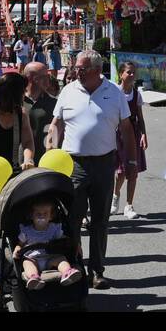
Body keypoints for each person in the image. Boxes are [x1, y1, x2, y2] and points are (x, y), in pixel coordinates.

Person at [49, 49, 136, 289]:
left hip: (104, 164)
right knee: (72, 219)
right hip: (72, 164)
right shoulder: (68, 91)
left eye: (82, 68)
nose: (77, 72)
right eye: (76, 67)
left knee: (100, 221)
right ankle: (74, 267)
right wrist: (51, 149)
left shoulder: (114, 93)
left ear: (97, 71)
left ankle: (97, 271)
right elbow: (56, 125)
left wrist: (131, 162)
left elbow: (127, 129)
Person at [15, 200, 82, 289]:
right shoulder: (26, 231)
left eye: (45, 213)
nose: (42, 216)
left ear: (51, 216)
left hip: (50, 257)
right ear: (31, 215)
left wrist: (75, 244)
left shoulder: (54, 229)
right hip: (33, 258)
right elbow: (20, 244)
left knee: (61, 259)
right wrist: (17, 249)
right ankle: (34, 277)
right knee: (27, 263)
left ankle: (67, 272)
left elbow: (64, 239)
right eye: (38, 214)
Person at [112, 62, 149, 219]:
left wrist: (143, 134)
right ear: (121, 74)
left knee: (132, 170)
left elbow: (140, 117)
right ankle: (115, 196)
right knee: (120, 172)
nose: (132, 75)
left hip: (133, 133)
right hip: (117, 134)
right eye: (129, 72)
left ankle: (129, 205)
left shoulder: (137, 94)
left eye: (134, 72)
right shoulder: (114, 92)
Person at [22, 61, 58, 155]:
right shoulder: (16, 102)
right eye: (43, 77)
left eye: (48, 76)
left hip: (44, 157)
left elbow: (55, 131)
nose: (48, 80)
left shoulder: (54, 103)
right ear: (30, 78)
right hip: (20, 159)